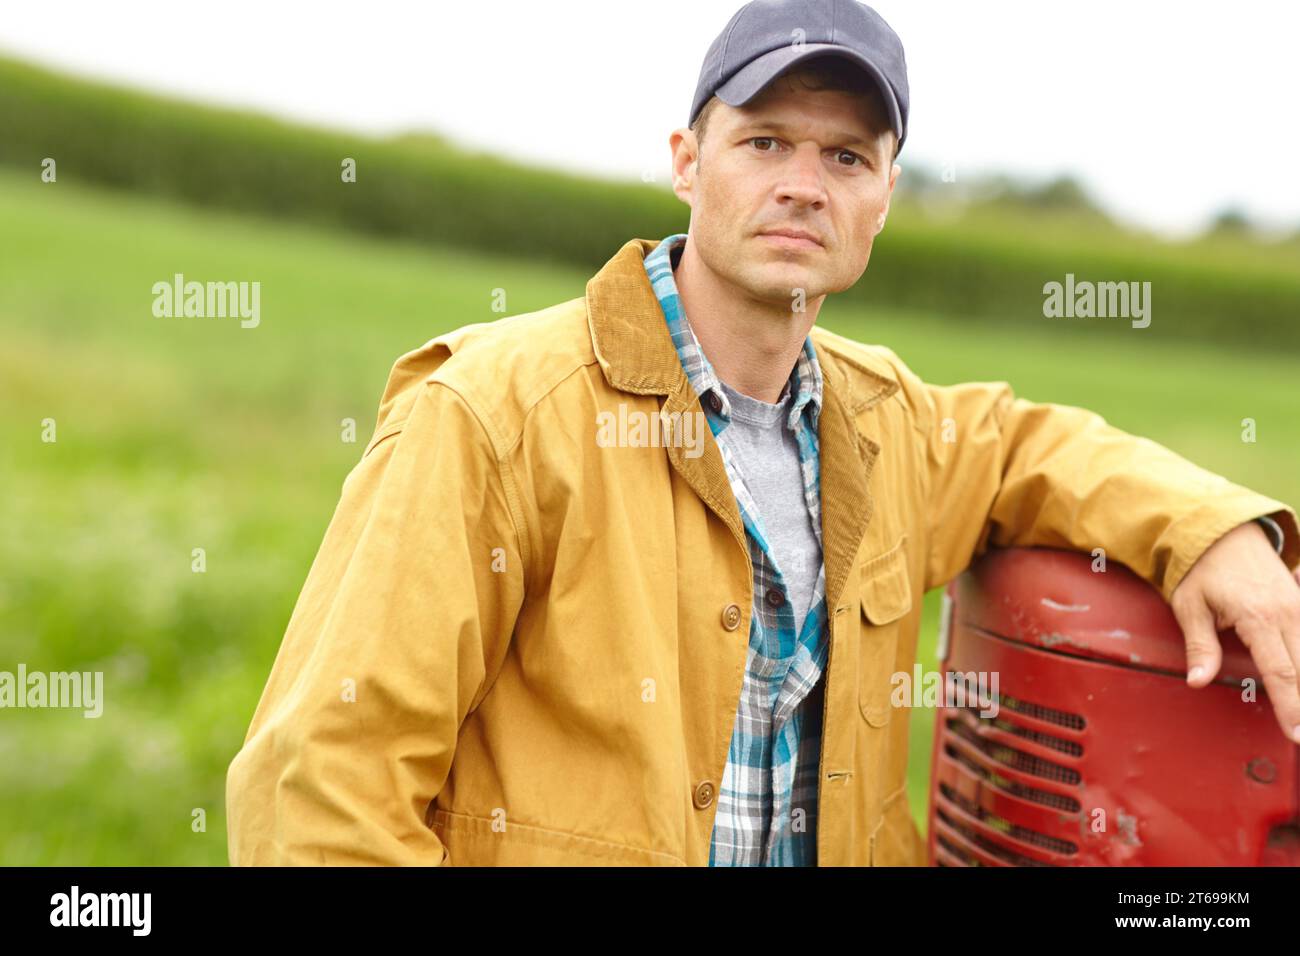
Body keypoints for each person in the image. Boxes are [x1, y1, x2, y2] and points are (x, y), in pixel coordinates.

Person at [226, 0, 1300, 866]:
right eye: (765, 140)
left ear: (883, 196)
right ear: (688, 160)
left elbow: (1027, 446)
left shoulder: (891, 427)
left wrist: (1209, 529)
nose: (801, 184)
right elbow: (323, 785)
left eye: (846, 157)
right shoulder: (496, 413)